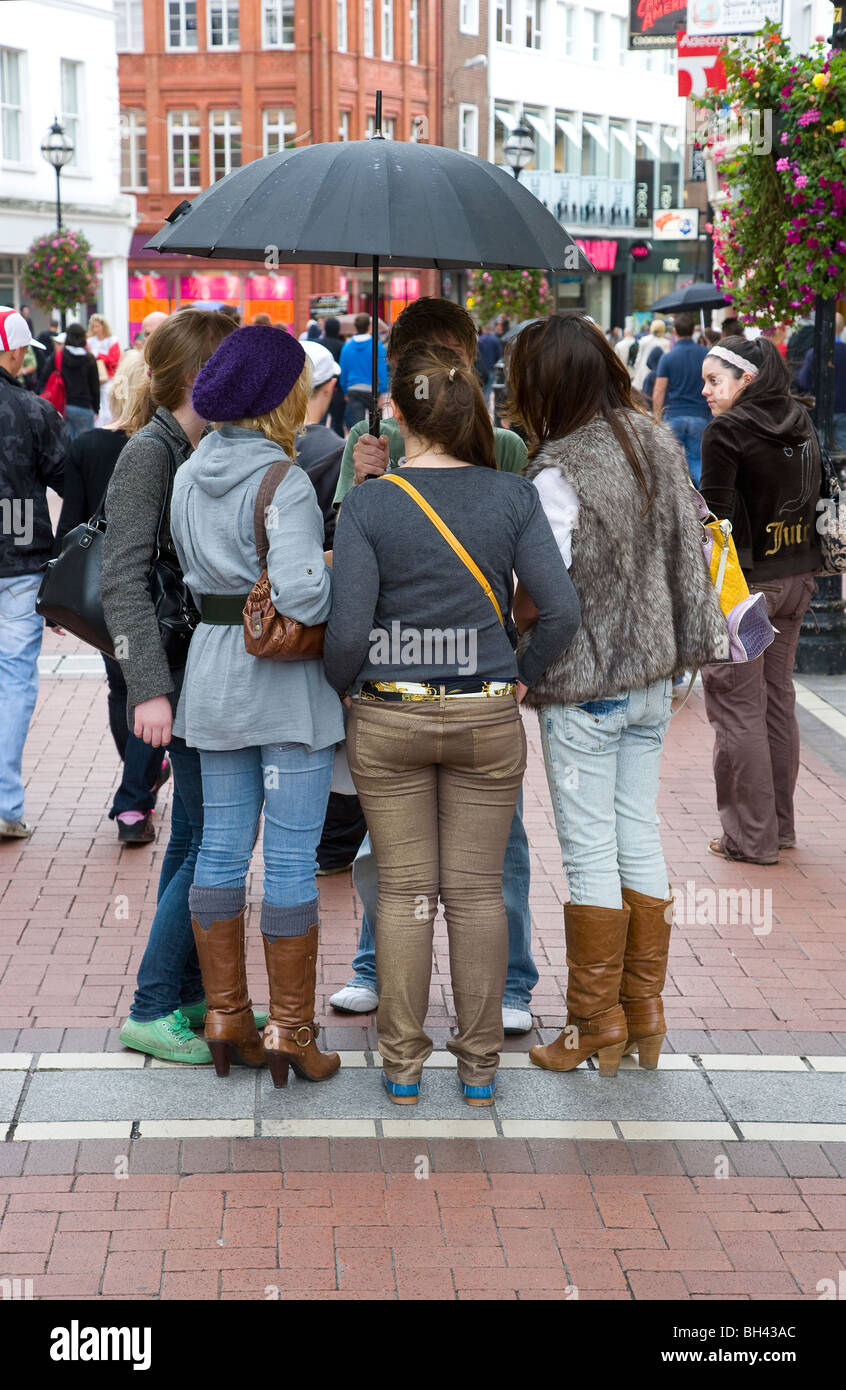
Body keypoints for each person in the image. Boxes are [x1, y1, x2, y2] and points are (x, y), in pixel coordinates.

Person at [323, 344, 580, 1105]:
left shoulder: (371, 502)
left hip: (390, 712)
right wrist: (521, 673)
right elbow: (559, 609)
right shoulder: (512, 496)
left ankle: (402, 1066)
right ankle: (478, 1068)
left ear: (398, 415)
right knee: (473, 892)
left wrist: (348, 687)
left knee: (403, 891)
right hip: (487, 712)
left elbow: (346, 633)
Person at [506, 311, 725, 1075]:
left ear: (543, 386)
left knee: (590, 844)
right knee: (638, 830)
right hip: (655, 677)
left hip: (586, 683)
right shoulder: (657, 441)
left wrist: (511, 632)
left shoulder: (558, 469)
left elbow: (540, 589)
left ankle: (592, 1022)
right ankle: (645, 1013)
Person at [170, 326, 344, 1085]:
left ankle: (226, 1015)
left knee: (218, 848)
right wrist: (340, 570)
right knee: (290, 859)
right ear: (282, 397)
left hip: (211, 674)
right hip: (281, 684)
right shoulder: (286, 480)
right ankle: (292, 1032)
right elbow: (304, 592)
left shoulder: (188, 470)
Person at [101, 308, 237, 1064]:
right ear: (197, 378)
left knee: (194, 838)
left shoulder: (190, 444)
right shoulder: (151, 453)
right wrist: (146, 689)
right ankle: (153, 1008)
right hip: (175, 676)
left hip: (193, 671)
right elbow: (122, 577)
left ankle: (181, 996)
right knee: (207, 841)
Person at [700, 336, 822, 865]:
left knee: (737, 709)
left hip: (745, 590)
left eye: (713, 380)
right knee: (776, 702)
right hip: (797, 580)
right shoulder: (802, 420)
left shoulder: (727, 430)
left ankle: (751, 839)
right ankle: (779, 828)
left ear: (746, 379)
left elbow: (715, 522)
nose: (704, 391)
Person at [55, 352, 171, 844]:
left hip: (103, 596)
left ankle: (135, 789)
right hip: (161, 596)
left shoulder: (89, 445)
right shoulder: (167, 447)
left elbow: (72, 524)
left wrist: (59, 595)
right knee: (151, 688)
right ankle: (134, 796)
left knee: (123, 690)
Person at [0, 308, 66, 839]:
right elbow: (69, 480)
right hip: (20, 562)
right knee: (14, 682)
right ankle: (3, 801)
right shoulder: (34, 411)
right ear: (13, 353)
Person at [651, 312, 710, 484]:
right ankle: (704, 503)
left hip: (674, 415)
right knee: (698, 462)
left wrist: (656, 416)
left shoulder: (667, 357)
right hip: (700, 415)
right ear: (693, 331)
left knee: (673, 466)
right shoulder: (705, 354)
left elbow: (659, 391)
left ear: (674, 331)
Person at [794, 330, 846, 451]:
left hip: (820, 408)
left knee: (820, 449)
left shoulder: (814, 353)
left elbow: (803, 381)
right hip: (843, 409)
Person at [339, 313, 388, 430]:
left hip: (354, 389)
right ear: (369, 326)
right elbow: (381, 369)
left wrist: (345, 390)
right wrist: (383, 391)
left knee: (357, 429)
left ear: (355, 327)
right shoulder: (377, 345)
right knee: (376, 428)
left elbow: (343, 370)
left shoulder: (347, 347)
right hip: (373, 390)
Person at [60, 323, 101, 439]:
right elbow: (95, 386)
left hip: (64, 405)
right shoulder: (90, 359)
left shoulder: (59, 356)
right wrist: (96, 408)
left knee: (67, 443)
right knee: (85, 446)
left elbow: (45, 377)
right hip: (84, 406)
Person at [87, 315, 121, 426]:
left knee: (108, 404)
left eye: (97, 326)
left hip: (109, 378)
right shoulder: (90, 341)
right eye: (93, 327)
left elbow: (114, 360)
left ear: (103, 326)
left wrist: (99, 356)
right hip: (93, 378)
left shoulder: (112, 341)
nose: (95, 329)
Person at [318, 315, 346, 438]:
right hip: (338, 389)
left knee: (321, 422)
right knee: (338, 423)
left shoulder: (320, 344)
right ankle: (339, 450)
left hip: (321, 386)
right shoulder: (342, 345)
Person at [631, 319, 669, 392]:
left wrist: (636, 370)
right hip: (658, 373)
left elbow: (638, 358)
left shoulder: (644, 340)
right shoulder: (665, 343)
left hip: (643, 370)